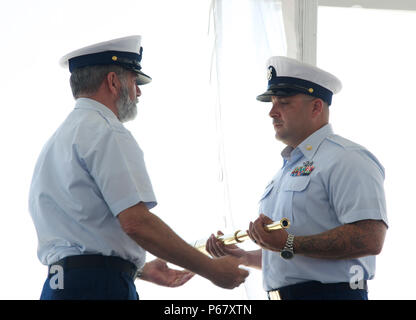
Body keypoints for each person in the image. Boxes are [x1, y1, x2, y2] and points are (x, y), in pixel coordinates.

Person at [28, 35, 248, 300]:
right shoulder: (106, 131)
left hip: (58, 286)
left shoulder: (57, 140)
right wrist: (213, 270)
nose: (139, 91)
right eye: (134, 81)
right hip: (100, 288)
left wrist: (139, 269)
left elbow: (78, 236)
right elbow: (137, 223)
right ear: (112, 82)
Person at [206, 56, 388, 300]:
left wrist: (288, 243)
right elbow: (297, 257)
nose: (272, 112)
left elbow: (369, 238)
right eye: (271, 103)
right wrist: (245, 257)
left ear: (316, 107)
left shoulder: (347, 159)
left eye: (283, 103)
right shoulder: (287, 169)